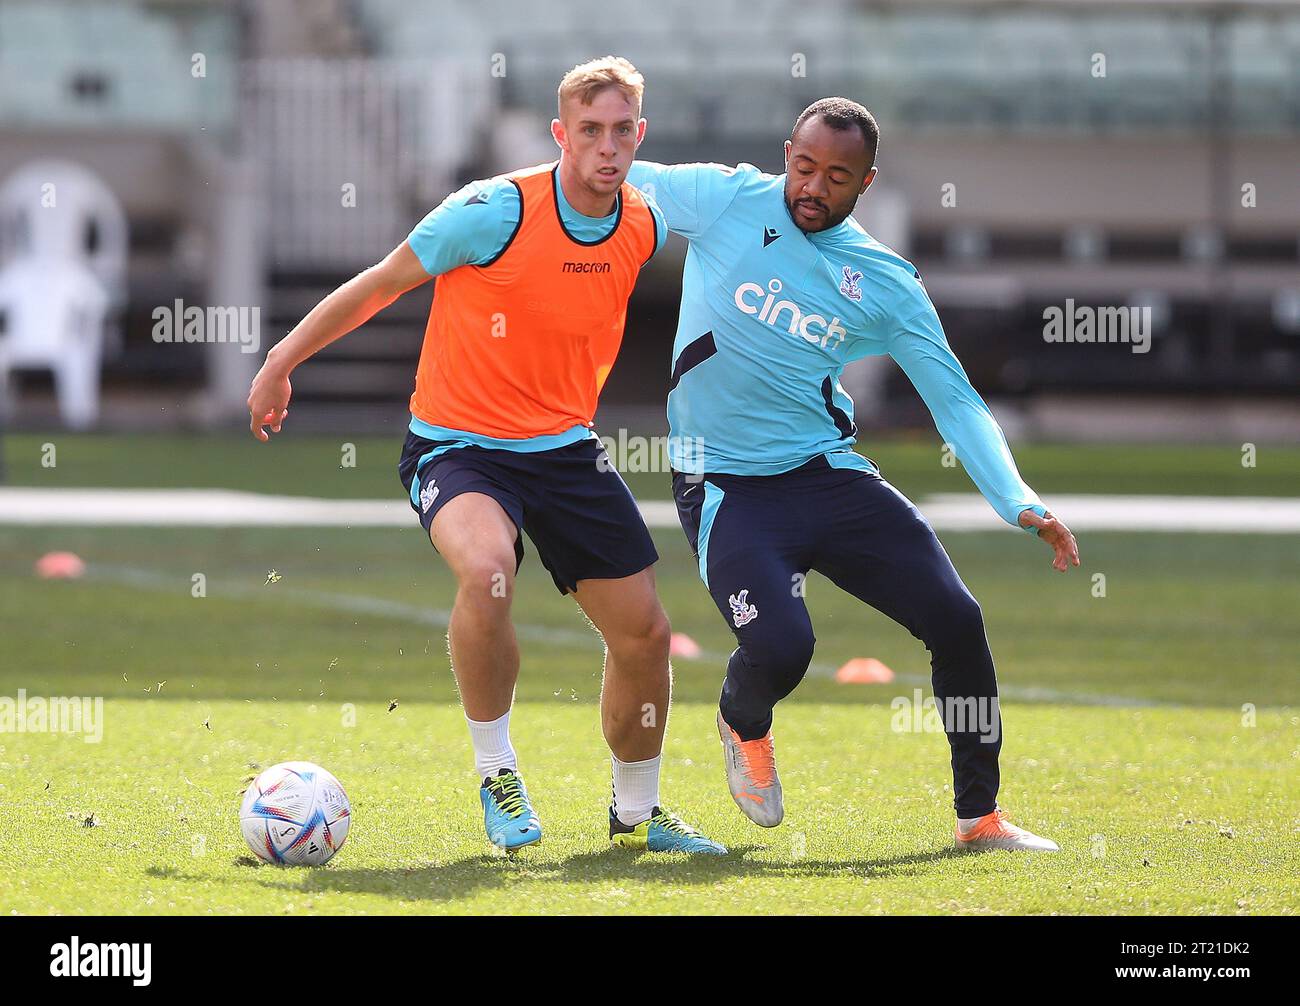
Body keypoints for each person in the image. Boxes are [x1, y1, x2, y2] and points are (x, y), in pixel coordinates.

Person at [247, 57, 724, 855]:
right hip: (458, 445)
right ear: (559, 135)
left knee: (644, 634)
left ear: (640, 135)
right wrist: (278, 363)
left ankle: (639, 816)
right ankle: (496, 772)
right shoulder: (491, 211)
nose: (606, 148)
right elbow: (380, 284)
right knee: (487, 570)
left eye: (621, 132)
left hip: (566, 450)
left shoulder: (640, 223)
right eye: (589, 132)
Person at [627, 97, 1079, 852]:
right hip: (725, 484)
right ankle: (743, 720)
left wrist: (1018, 500)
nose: (813, 186)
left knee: (957, 620)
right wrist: (498, 207)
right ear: (786, 154)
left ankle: (981, 818)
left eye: (836, 176)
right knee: (782, 647)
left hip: (827, 475)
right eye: (803, 166)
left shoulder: (884, 280)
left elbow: (957, 401)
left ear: (865, 183)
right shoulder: (724, 197)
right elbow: (596, 175)